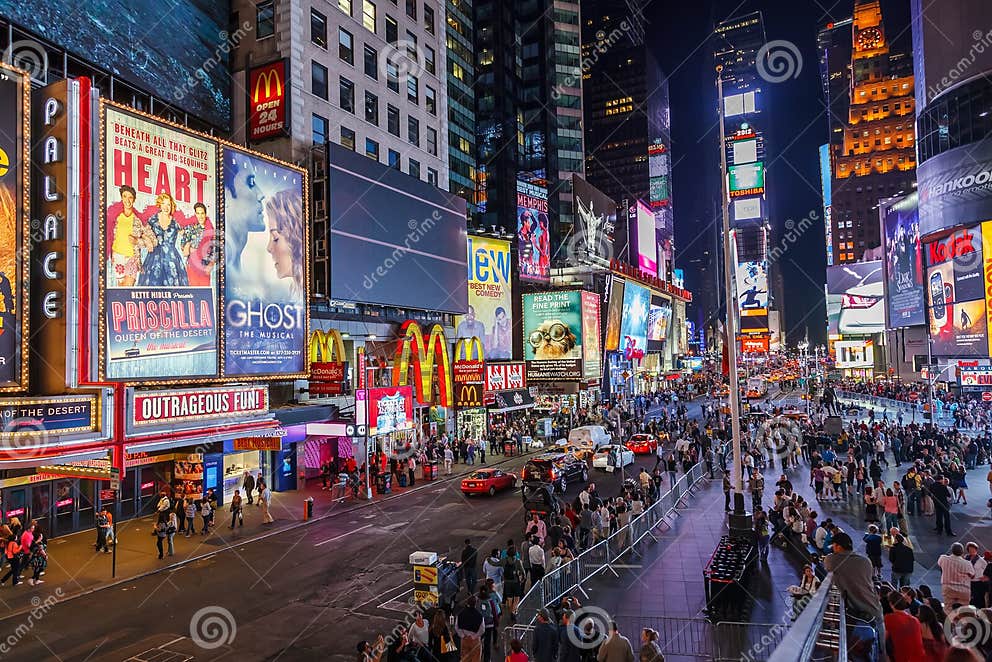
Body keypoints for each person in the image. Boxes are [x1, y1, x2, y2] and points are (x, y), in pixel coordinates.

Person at [823, 532, 885, 649]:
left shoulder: (832, 560)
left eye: (834, 546)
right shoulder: (865, 561)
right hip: (876, 610)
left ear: (838, 546)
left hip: (860, 617)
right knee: (880, 651)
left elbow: (827, 562)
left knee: (863, 652)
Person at [138, 193, 188, 287]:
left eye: (168, 204)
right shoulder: (153, 219)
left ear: (172, 206)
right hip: (154, 258)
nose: (166, 207)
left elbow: (186, 234)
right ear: (159, 205)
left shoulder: (176, 222)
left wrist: (187, 244)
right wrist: (147, 239)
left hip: (172, 259)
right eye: (164, 204)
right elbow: (142, 233)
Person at [109, 185, 143, 287]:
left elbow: (150, 240)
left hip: (132, 257)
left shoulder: (139, 219)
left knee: (128, 286)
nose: (127, 200)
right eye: (125, 196)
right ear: (121, 198)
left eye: (130, 197)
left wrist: (137, 241)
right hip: (117, 255)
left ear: (134, 199)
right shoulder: (115, 217)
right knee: (121, 286)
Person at [883, 590, 925, 662]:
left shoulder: (889, 618)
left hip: (902, 658)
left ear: (891, 604)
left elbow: (883, 639)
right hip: (919, 657)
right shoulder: (915, 620)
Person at [938, 543, 975, 609]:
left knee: (948, 608)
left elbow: (939, 564)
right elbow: (972, 575)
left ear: (951, 550)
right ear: (962, 552)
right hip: (963, 589)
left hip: (948, 588)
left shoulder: (943, 559)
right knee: (964, 610)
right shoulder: (967, 563)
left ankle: (949, 619)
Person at [455, 595, 485, 662]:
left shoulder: (460, 614)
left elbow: (456, 627)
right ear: (475, 603)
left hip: (464, 639)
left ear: (467, 603)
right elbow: (482, 629)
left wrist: (463, 635)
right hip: (475, 641)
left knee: (464, 658)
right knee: (475, 659)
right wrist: (474, 637)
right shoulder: (479, 616)